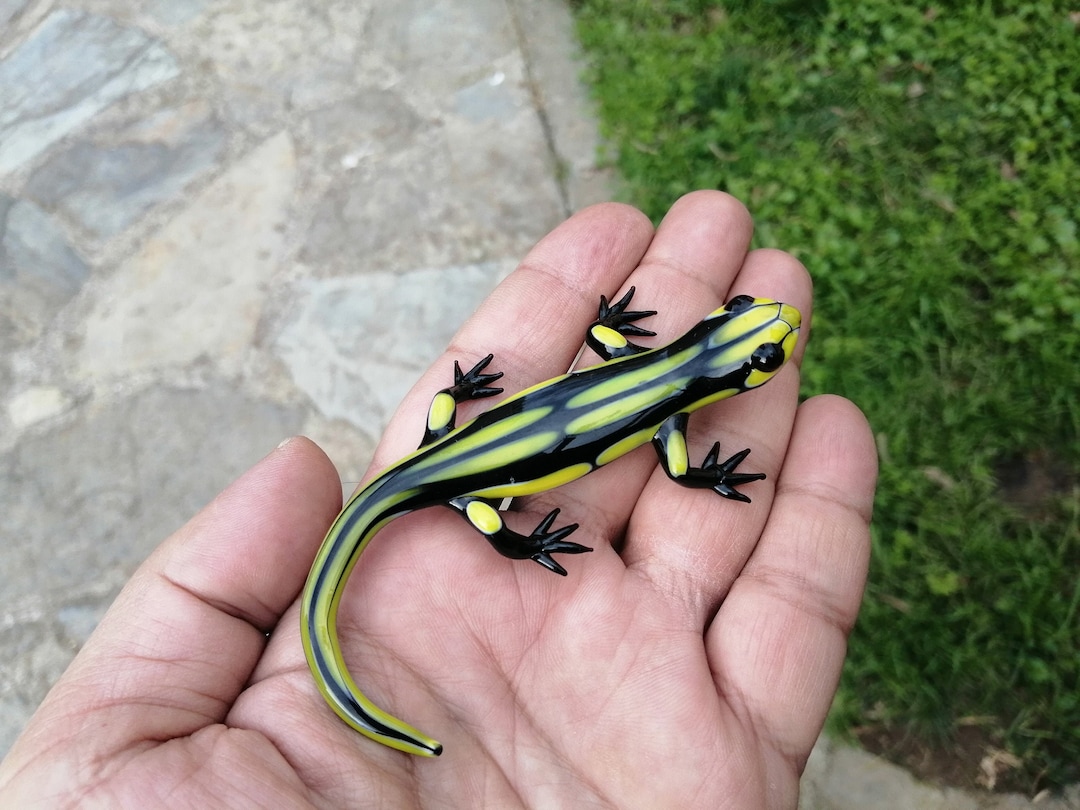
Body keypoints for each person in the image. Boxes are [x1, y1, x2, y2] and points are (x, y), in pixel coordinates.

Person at [0, 191, 876, 808]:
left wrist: (474, 391)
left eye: (761, 340)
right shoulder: (671, 410)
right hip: (464, 481)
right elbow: (678, 464)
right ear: (718, 353)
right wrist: (698, 479)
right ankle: (486, 552)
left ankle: (484, 517)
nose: (774, 340)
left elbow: (608, 335)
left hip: (456, 448)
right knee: (485, 510)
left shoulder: (655, 372)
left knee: (474, 489)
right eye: (763, 341)